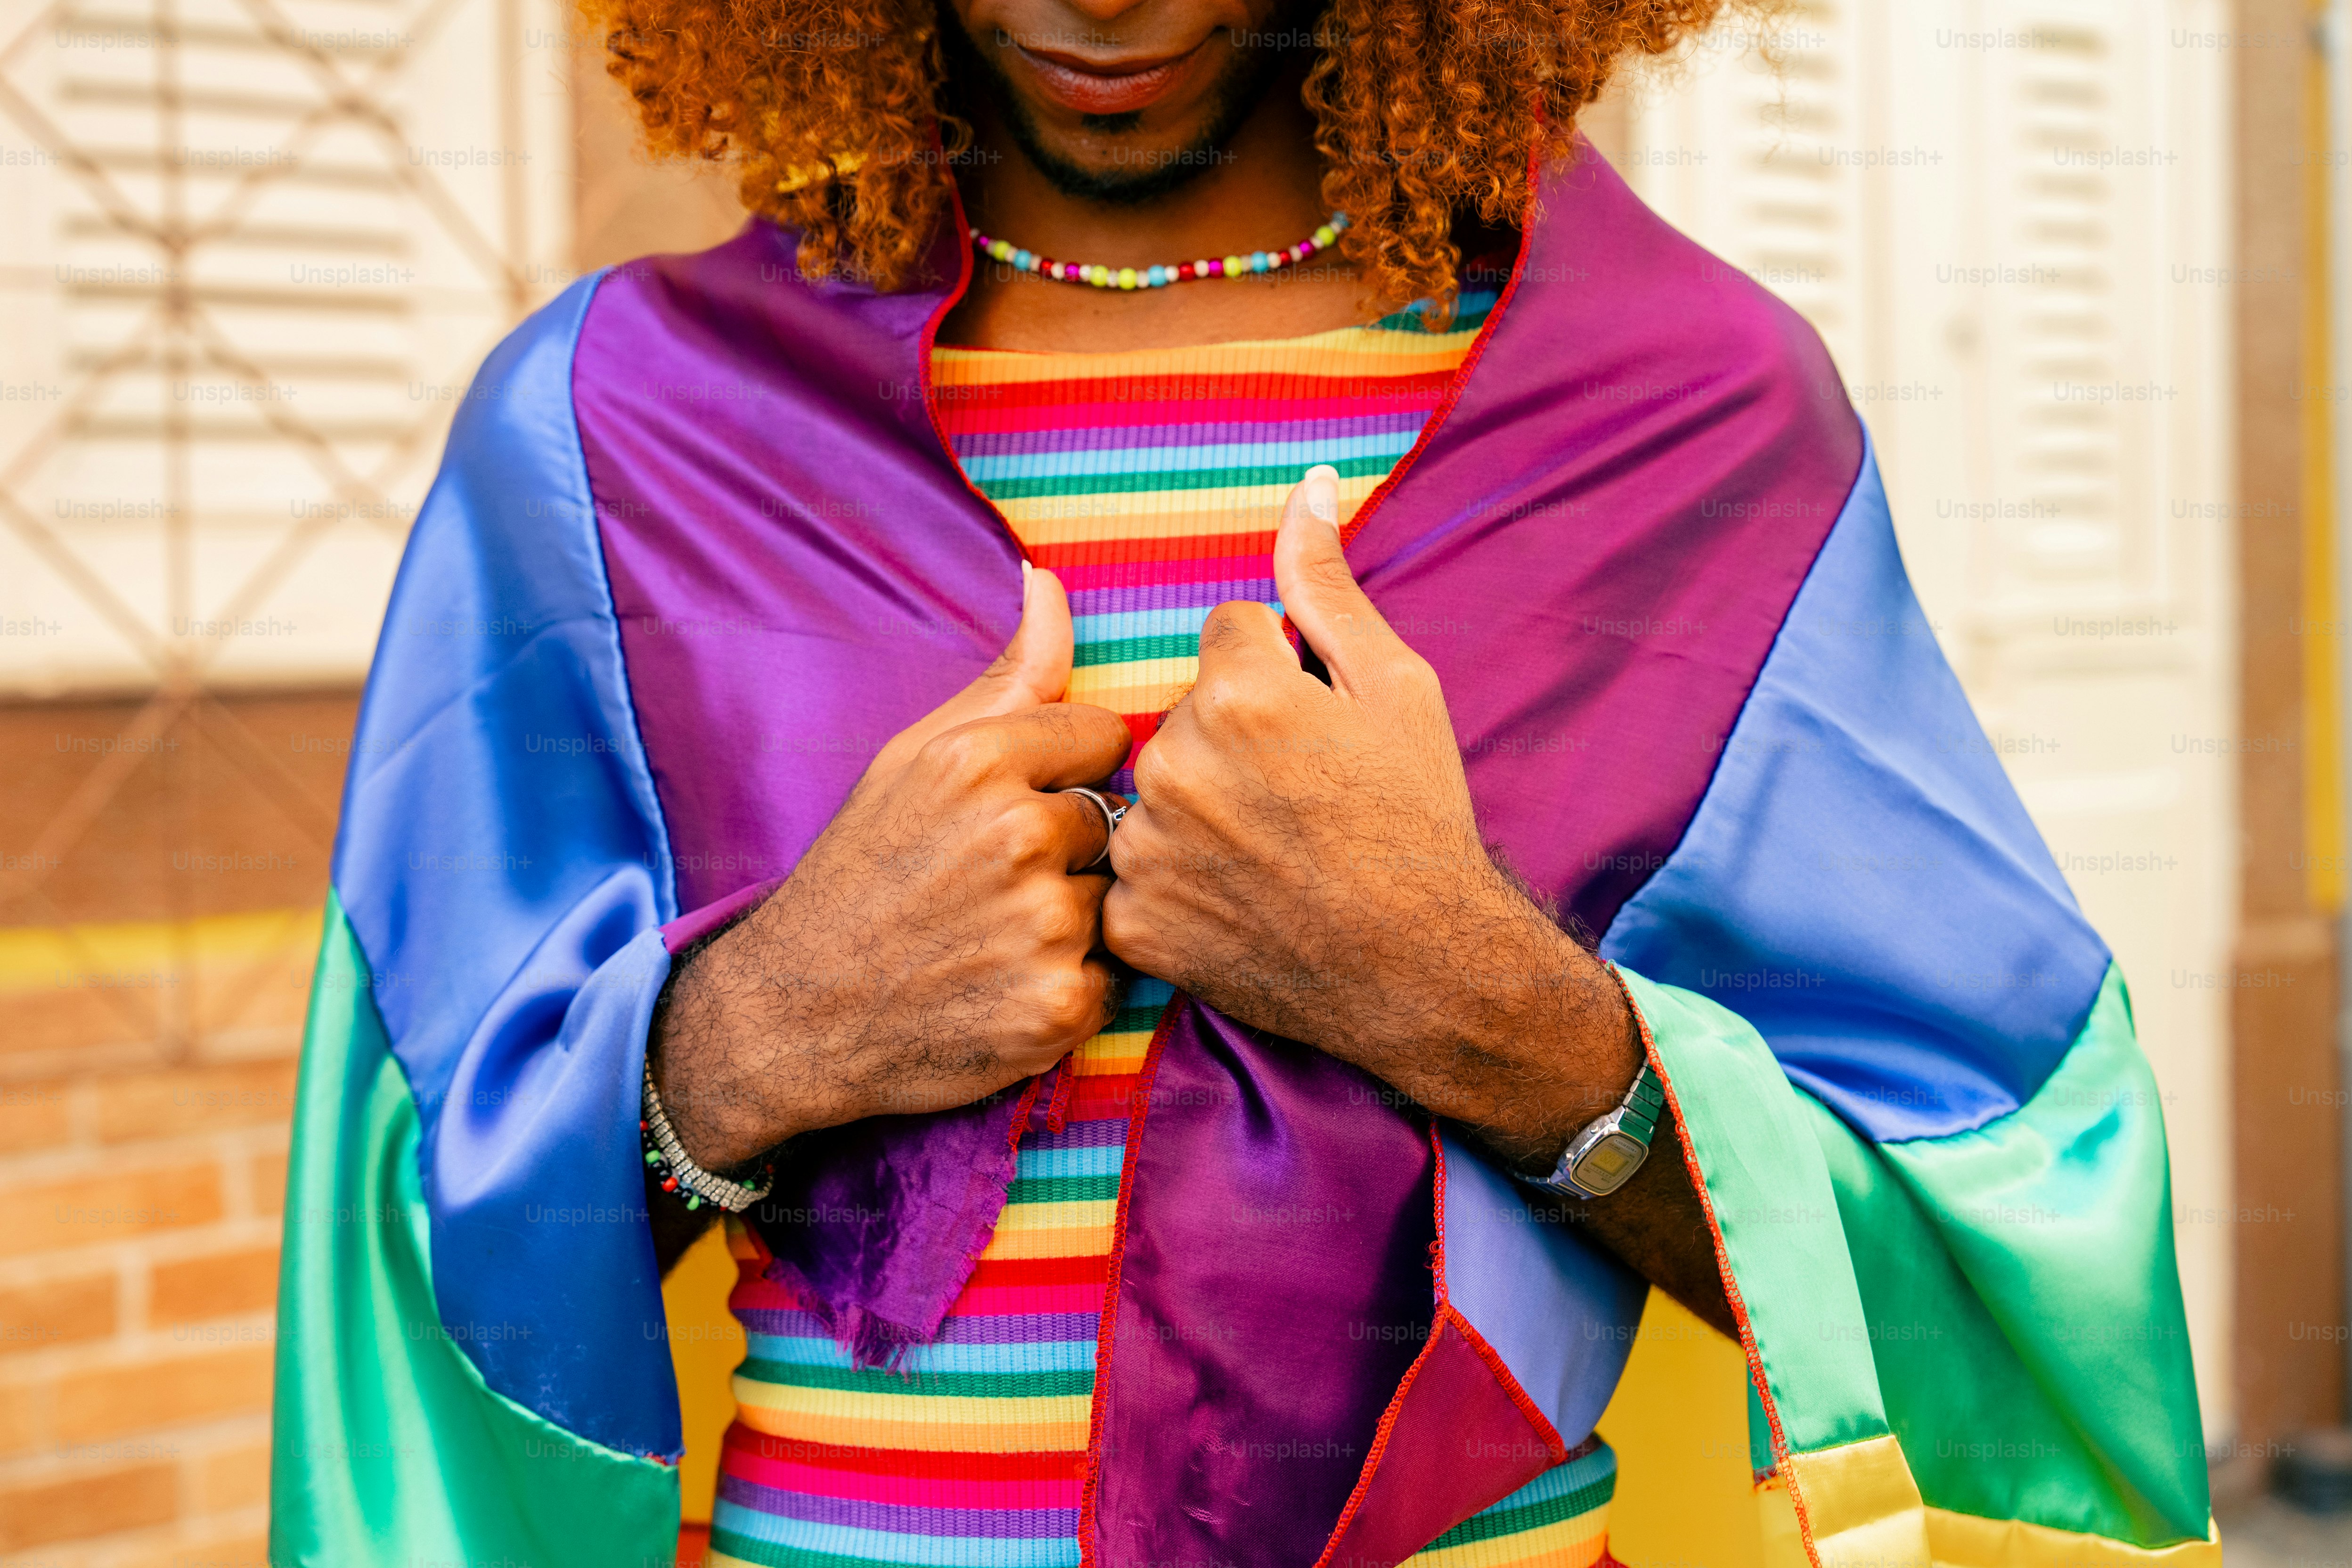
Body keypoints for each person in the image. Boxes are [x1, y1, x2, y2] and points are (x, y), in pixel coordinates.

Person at [269, 3, 2219, 1566]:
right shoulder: (620, 436)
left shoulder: (1689, 422)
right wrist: (764, 1032)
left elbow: (2014, 1238)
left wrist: (1470, 997)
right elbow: (390, 1258)